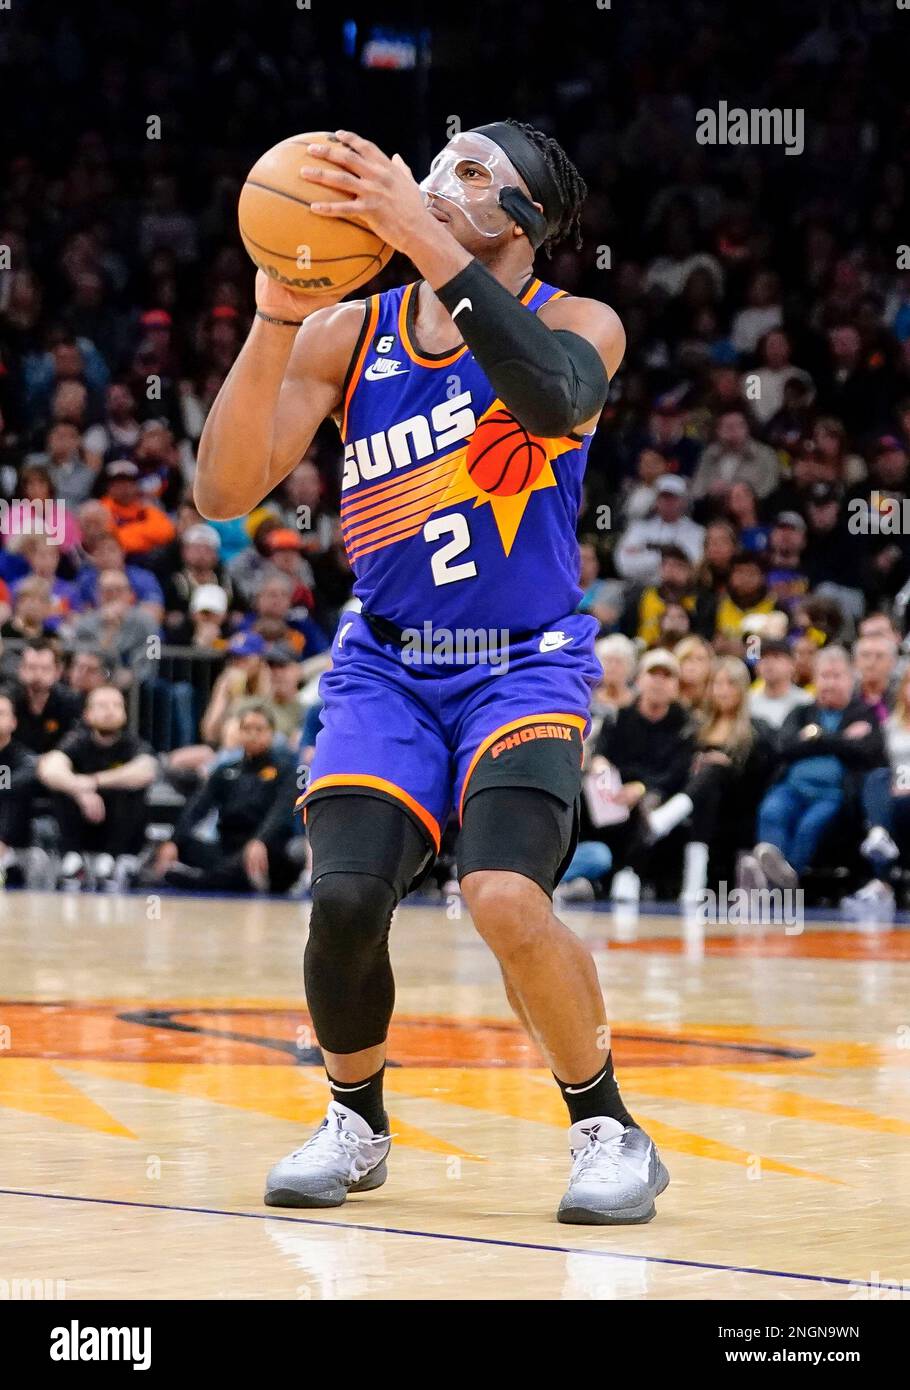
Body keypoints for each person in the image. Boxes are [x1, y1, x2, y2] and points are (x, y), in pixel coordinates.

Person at [196, 121, 669, 1223]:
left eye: (473, 174)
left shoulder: (580, 322)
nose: (435, 178)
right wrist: (275, 312)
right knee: (349, 898)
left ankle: (608, 1127)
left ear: (525, 224)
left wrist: (418, 231)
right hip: (388, 667)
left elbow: (552, 401)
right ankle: (355, 1119)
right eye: (438, 157)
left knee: (502, 893)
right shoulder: (349, 333)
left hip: (522, 662)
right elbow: (223, 494)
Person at [739, 646, 886, 890]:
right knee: (771, 811)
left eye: (836, 676)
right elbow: (784, 746)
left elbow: (866, 750)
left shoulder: (864, 713)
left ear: (851, 679)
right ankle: (775, 875)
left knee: (811, 825)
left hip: (833, 795)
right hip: (792, 788)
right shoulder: (802, 712)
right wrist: (841, 739)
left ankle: (782, 881)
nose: (829, 683)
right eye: (824, 676)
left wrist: (816, 737)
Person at [644, 657, 774, 902]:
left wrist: (729, 767)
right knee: (707, 782)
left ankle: (668, 818)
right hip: (702, 803)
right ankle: (693, 883)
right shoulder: (697, 728)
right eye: (717, 684)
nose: (723, 691)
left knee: (715, 771)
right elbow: (676, 772)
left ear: (742, 690)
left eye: (730, 684)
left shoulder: (757, 729)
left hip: (738, 805)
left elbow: (760, 778)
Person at [153, 700, 298, 894]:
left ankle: (203, 881)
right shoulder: (225, 770)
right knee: (181, 845)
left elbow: (282, 812)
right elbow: (198, 807)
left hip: (266, 847)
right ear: (239, 732)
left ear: (271, 733)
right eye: (247, 728)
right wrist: (174, 841)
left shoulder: (286, 770)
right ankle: (217, 878)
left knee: (255, 860)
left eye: (259, 729)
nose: (253, 734)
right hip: (226, 846)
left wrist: (260, 840)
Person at [585, 648, 695, 903]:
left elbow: (677, 774)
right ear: (639, 679)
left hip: (657, 792)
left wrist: (641, 788)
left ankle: (630, 872)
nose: (658, 681)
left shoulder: (685, 724)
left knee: (650, 806)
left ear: (676, 685)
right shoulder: (620, 717)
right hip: (614, 788)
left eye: (667, 676)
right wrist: (601, 767)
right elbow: (601, 754)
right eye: (652, 674)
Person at [37, 683, 158, 888]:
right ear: (87, 714)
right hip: (82, 825)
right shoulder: (77, 741)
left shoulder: (134, 744)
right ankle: (72, 859)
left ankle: (112, 860)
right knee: (62, 785)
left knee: (128, 786)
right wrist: (79, 790)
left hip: (119, 829)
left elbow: (147, 771)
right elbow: (48, 768)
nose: (110, 711)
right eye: (102, 706)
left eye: (116, 705)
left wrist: (94, 782)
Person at [842, 662, 910, 916]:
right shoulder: (891, 725)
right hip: (894, 789)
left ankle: (883, 882)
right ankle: (879, 836)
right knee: (876, 776)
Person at [613, 474, 704, 585]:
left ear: (683, 501)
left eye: (673, 498)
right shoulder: (638, 528)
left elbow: (693, 565)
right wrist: (665, 560)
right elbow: (623, 565)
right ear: (656, 500)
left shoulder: (697, 532)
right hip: (639, 589)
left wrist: (645, 554)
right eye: (663, 497)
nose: (667, 502)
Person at [12, 638, 82, 753]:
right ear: (20, 669)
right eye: (31, 667)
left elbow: (75, 739)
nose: (37, 675)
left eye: (45, 669)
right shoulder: (9, 700)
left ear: (57, 671)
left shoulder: (71, 701)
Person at [0, 689, 39, 884]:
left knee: (11, 791)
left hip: (15, 832)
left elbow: (25, 778)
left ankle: (4, 856)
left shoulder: (23, 757)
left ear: (13, 722)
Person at [749, 638, 813, 729]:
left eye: (776, 657)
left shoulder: (805, 702)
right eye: (764, 657)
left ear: (792, 664)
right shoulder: (749, 702)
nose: (769, 663)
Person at [674, 634, 715, 713]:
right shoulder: (668, 701)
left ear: (710, 665)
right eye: (686, 658)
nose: (692, 665)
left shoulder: (716, 703)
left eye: (699, 659)